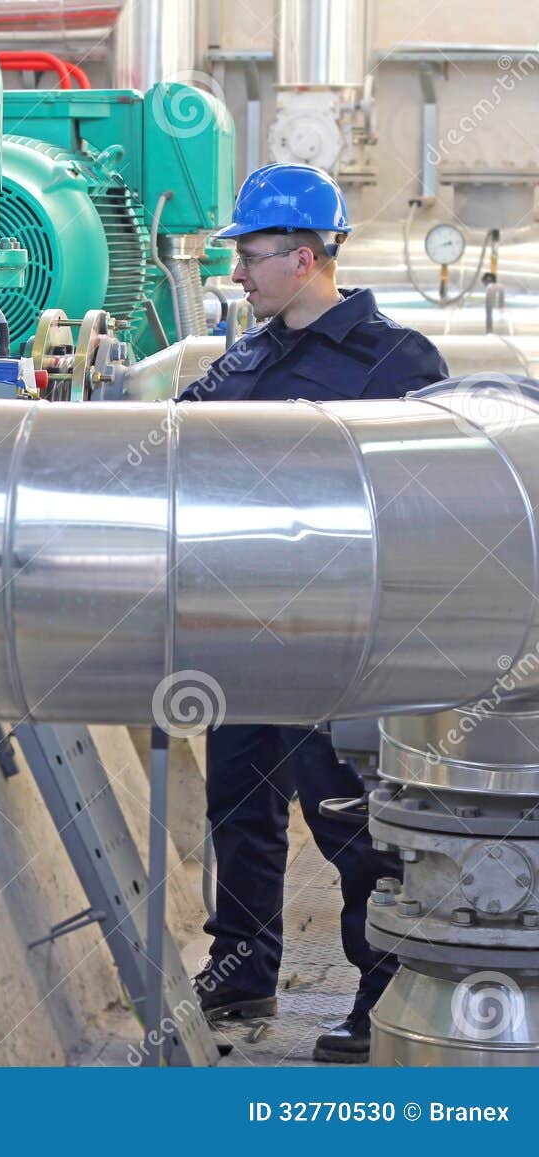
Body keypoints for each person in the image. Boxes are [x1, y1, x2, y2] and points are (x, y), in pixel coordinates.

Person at [179, 163, 448, 1063]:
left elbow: (429, 503)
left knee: (347, 819)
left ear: (303, 257)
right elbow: (181, 442)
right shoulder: (247, 356)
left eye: (250, 258)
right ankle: (243, 961)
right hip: (241, 624)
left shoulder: (395, 361)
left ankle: (383, 990)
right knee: (239, 802)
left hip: (338, 640)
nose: (239, 275)